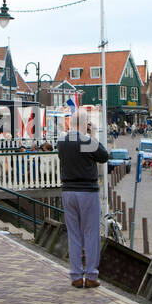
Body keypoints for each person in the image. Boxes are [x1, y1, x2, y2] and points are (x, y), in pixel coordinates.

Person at [57, 110, 108, 288]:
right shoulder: (87, 141)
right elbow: (104, 156)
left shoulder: (61, 142)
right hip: (88, 190)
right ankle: (92, 276)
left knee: (74, 234)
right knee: (91, 234)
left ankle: (76, 276)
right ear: (85, 124)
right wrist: (92, 134)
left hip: (68, 191)